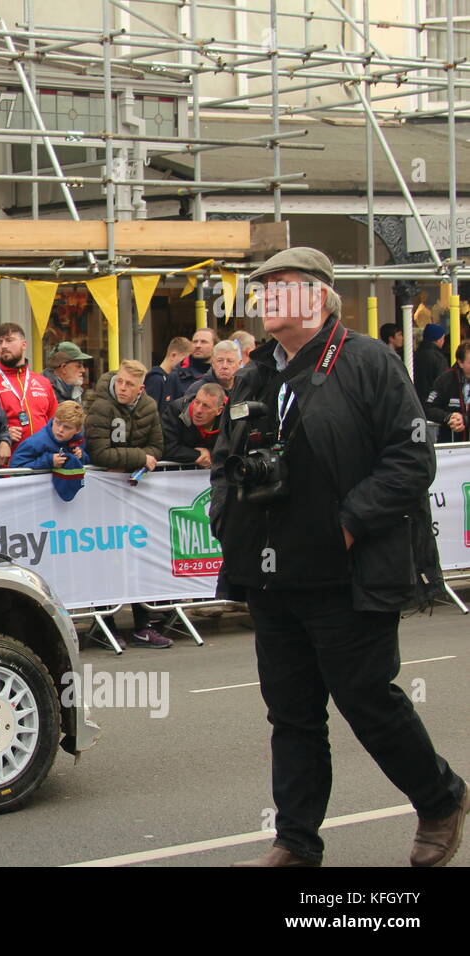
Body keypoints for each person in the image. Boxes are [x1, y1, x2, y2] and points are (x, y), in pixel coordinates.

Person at [207, 247, 465, 868]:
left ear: (322, 298)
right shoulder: (253, 372)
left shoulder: (369, 362)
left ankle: (438, 798)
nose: (267, 296)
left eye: (283, 286)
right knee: (292, 715)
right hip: (272, 572)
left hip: (347, 570)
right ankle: (295, 843)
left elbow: (409, 461)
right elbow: (226, 457)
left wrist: (347, 527)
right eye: (262, 288)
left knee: (367, 701)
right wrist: (226, 516)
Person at [84, 359, 170, 648]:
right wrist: (139, 458)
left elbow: (158, 447)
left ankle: (143, 625)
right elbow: (98, 452)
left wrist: (139, 460)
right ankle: (105, 624)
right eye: (120, 381)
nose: (122, 388)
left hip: (133, 491)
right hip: (103, 493)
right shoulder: (101, 405)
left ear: (141, 388)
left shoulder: (148, 407)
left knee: (137, 556)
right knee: (105, 557)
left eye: (129, 385)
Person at [0, 323, 59, 447]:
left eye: (9, 340)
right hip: (7, 461)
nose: (3, 346)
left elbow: (56, 422)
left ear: (24, 344)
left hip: (43, 460)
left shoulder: (43, 382)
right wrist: (1, 435)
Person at [10, 400, 87, 501]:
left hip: (63, 502)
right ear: (53, 419)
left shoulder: (78, 441)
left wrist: (81, 456)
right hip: (33, 498)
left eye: (67, 427)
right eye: (58, 423)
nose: (60, 429)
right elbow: (15, 469)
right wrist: (48, 461)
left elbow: (88, 463)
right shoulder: (36, 442)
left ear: (77, 430)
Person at [162, 382, 226, 466]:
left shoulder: (230, 419)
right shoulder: (176, 411)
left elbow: (232, 449)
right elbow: (167, 448)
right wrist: (197, 454)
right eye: (197, 402)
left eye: (205, 406)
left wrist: (210, 453)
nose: (198, 410)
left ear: (219, 410)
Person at [423, 340, 469, 443]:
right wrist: (448, 417)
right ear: (460, 363)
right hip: (451, 448)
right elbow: (428, 408)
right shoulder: (445, 380)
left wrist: (465, 420)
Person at [164, 327, 215, 399]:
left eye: (203, 342)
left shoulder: (221, 375)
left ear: (214, 346)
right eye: (195, 342)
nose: (198, 345)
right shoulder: (176, 376)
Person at [144, 335, 192, 407]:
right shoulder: (155, 379)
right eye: (184, 360)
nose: (186, 365)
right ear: (173, 355)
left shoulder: (171, 379)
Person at [413, 323, 449, 402]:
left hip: (416, 399)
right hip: (432, 401)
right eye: (443, 338)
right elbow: (443, 382)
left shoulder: (415, 354)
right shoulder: (438, 358)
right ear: (437, 339)